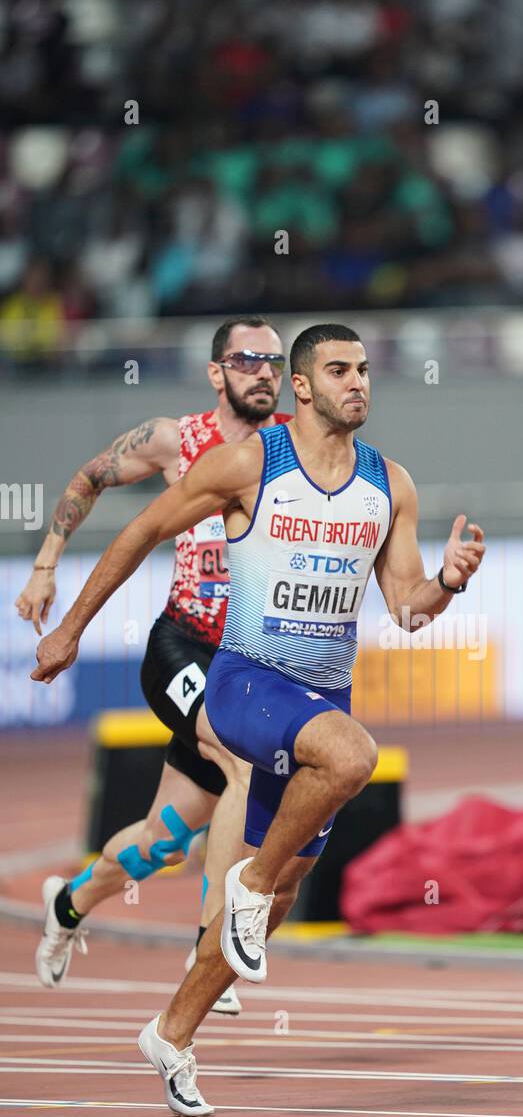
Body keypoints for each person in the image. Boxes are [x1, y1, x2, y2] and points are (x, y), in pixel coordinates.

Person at [32, 323, 485, 1114]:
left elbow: (408, 608)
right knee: (348, 760)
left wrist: (447, 581)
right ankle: (241, 883)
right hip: (229, 675)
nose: (359, 382)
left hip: (314, 699)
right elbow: (141, 528)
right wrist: (68, 624)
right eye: (339, 369)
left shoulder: (391, 484)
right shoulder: (238, 460)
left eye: (366, 370)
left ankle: (170, 1030)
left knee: (205, 862)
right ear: (303, 388)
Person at [19, 315, 292, 1013]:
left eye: (273, 360)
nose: (264, 370)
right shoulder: (178, 440)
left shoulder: (291, 445)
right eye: (247, 359)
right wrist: (47, 566)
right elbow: (91, 475)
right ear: (216, 372)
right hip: (182, 647)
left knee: (163, 842)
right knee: (245, 765)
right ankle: (215, 945)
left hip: (247, 659)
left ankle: (68, 904)